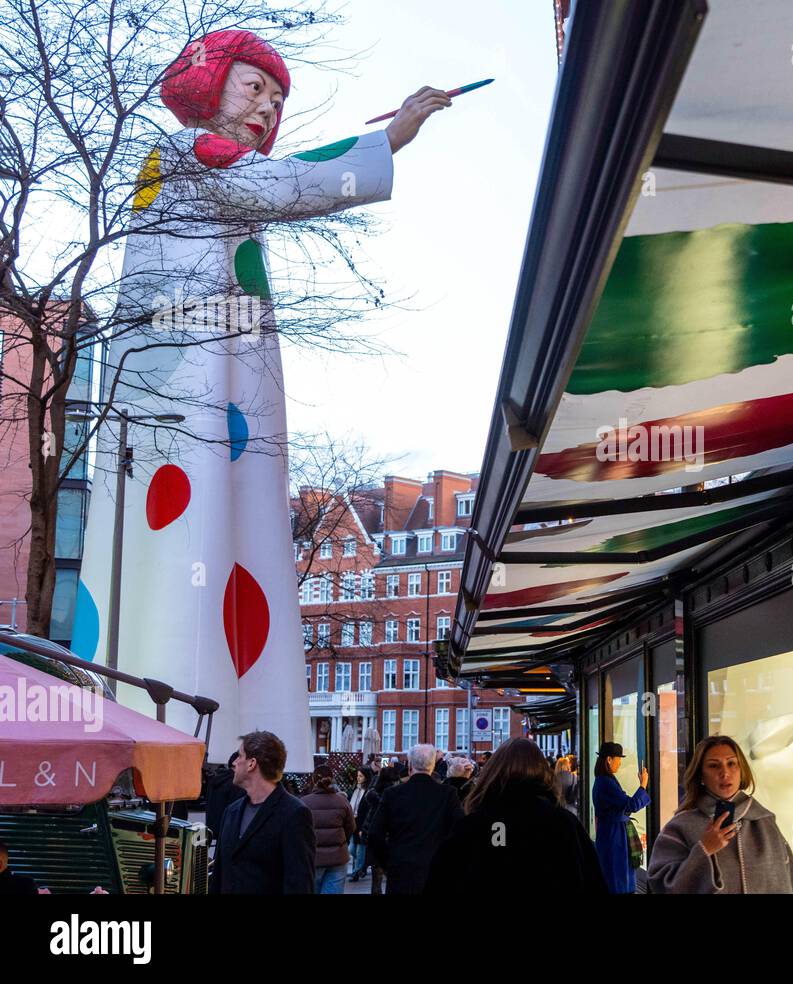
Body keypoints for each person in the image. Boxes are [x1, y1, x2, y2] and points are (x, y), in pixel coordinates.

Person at [74, 28, 452, 764]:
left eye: (275, 99)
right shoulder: (188, 153)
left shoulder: (197, 174)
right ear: (208, 83)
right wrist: (392, 139)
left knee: (223, 526)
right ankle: (191, 736)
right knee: (201, 526)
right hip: (192, 389)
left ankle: (201, 730)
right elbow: (281, 183)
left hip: (211, 384)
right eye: (255, 87)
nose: (265, 106)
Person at [425, 738, 607, 894]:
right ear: (543, 772)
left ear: (494, 772)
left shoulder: (473, 826)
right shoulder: (564, 824)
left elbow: (441, 880)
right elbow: (593, 882)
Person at [647, 735, 793, 894]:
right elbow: (660, 885)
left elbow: (791, 881)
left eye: (731, 763)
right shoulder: (680, 827)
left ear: (741, 770)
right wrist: (704, 850)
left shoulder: (765, 823)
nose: (725, 773)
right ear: (701, 775)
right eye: (714, 766)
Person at [211, 730, 316, 894]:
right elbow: (219, 875)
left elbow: (299, 884)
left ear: (252, 763)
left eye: (239, 756)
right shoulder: (231, 811)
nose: (234, 763)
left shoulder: (294, 813)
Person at [367, 744, 463, 894]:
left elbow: (374, 834)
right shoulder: (447, 794)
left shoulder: (392, 794)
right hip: (437, 870)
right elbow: (459, 831)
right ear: (432, 765)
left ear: (410, 765)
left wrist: (389, 862)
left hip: (401, 870)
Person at [592, 741, 650, 894]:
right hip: (615, 837)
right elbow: (631, 805)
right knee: (618, 878)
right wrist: (643, 784)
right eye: (618, 759)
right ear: (609, 760)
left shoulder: (603, 781)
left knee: (615, 875)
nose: (619, 763)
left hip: (611, 834)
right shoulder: (606, 782)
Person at [301, 765, 356, 894]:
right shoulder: (342, 802)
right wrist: (341, 842)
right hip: (338, 857)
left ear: (313, 780)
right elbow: (351, 827)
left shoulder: (303, 803)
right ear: (332, 780)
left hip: (313, 858)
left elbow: (300, 832)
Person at [363, 766, 398, 894]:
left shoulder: (373, 794)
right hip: (390, 840)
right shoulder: (394, 795)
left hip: (375, 840)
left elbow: (369, 819)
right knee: (393, 878)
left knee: (376, 879)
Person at [204, 750, 245, 847]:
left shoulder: (216, 779)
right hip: (228, 829)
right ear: (236, 763)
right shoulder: (235, 784)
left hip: (213, 826)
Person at [348, 767, 374, 881]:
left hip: (362, 823)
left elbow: (368, 810)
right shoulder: (356, 789)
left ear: (366, 777)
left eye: (361, 776)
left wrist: (364, 827)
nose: (358, 778)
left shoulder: (368, 791)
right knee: (352, 849)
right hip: (353, 822)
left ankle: (356, 873)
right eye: (357, 775)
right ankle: (362, 865)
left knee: (359, 850)